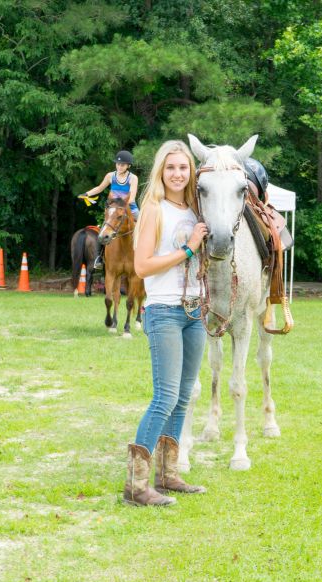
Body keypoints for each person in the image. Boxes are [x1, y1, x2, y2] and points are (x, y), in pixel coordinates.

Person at [123, 140, 209, 507]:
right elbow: (142, 268)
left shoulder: (194, 209)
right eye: (171, 167)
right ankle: (136, 486)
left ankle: (168, 474)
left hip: (195, 312)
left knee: (185, 395)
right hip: (164, 311)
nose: (177, 173)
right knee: (165, 396)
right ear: (161, 171)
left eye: (183, 168)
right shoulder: (154, 210)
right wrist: (188, 248)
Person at [83, 150, 139, 270]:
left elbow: (132, 196)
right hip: (113, 210)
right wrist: (87, 194)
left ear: (128, 166)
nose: (119, 166)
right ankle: (99, 258)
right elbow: (99, 188)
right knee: (103, 230)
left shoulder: (133, 178)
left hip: (129, 208)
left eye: (122, 165)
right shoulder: (110, 176)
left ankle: (147, 255)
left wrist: (123, 206)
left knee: (144, 226)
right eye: (118, 164)